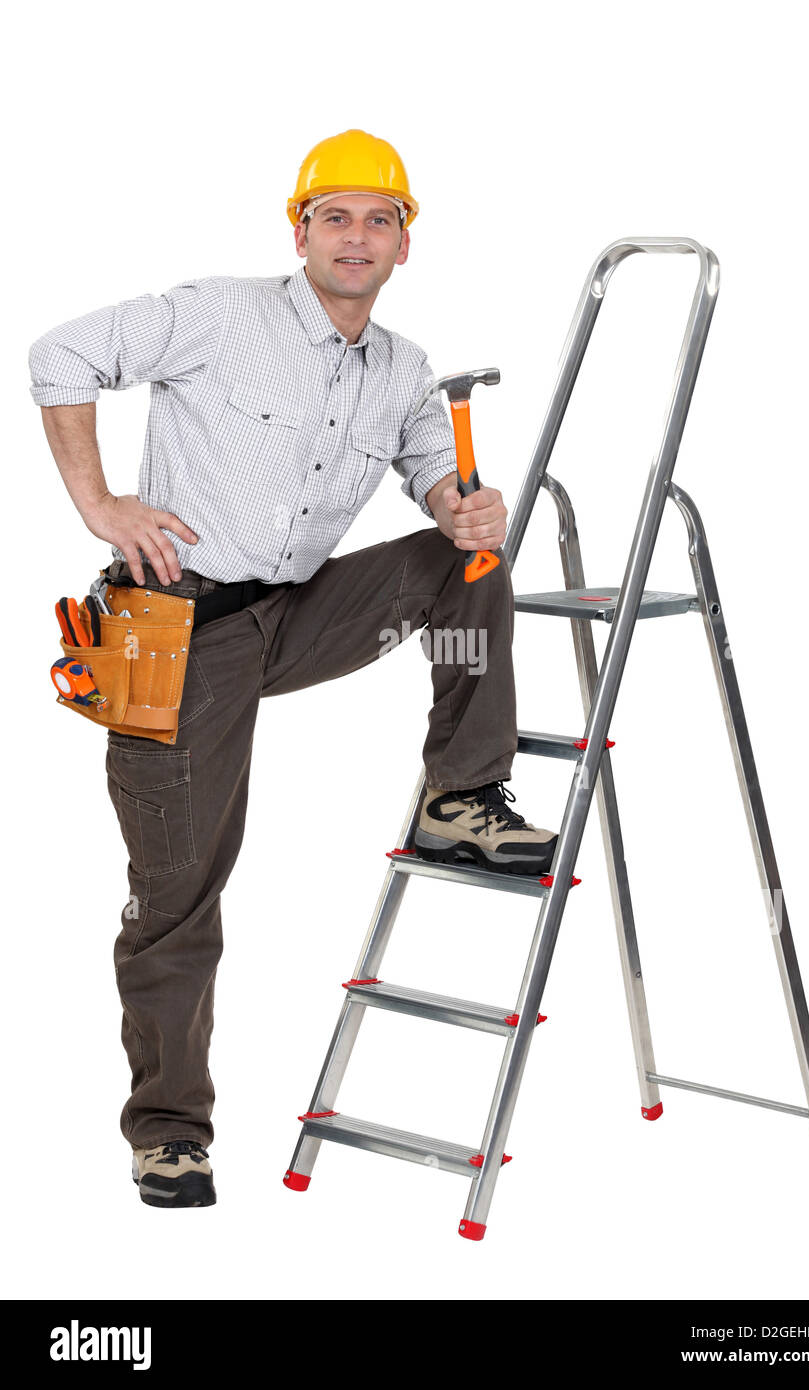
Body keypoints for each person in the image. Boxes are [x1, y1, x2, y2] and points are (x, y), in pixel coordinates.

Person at [29, 128, 557, 1210]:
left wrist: (457, 505)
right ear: (299, 228)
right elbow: (58, 357)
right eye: (336, 217)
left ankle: (460, 789)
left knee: (467, 567)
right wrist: (103, 505)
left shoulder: (402, 368)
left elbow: (426, 474)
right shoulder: (218, 315)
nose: (356, 238)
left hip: (301, 615)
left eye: (380, 219)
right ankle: (170, 1129)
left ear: (406, 242)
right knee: (178, 892)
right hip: (175, 638)